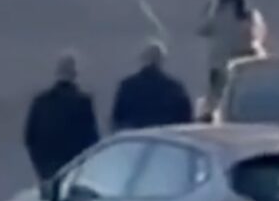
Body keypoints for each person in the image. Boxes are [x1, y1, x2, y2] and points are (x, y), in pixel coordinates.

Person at [25, 54, 99, 186]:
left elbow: (29, 137)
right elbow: (91, 139)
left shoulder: (41, 101)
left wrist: (39, 163)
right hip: (73, 165)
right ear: (75, 74)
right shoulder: (82, 102)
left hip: (46, 165)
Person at [198, 0, 267, 114]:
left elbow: (201, 29)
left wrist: (210, 6)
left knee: (216, 102)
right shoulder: (252, 16)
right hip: (247, 66)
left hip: (220, 66)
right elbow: (260, 35)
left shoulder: (218, 15)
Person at [110, 41, 196, 132]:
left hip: (135, 140)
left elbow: (117, 120)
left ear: (142, 59)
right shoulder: (175, 88)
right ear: (162, 60)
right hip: (166, 140)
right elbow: (186, 121)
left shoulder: (127, 87)